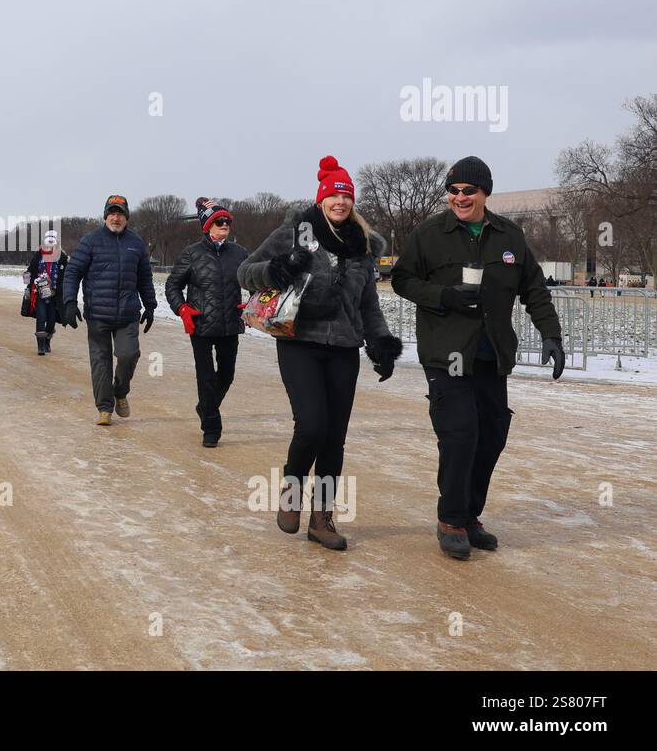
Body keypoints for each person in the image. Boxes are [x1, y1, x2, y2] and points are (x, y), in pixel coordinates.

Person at [391, 156, 564, 560]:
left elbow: (534, 289)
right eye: (453, 191)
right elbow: (401, 279)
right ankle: (450, 519)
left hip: (492, 355)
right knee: (460, 434)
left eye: (468, 190)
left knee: (490, 436)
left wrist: (551, 335)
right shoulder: (429, 234)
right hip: (447, 353)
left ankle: (469, 516)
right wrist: (443, 296)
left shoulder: (509, 236)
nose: (459, 198)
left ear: (485, 191)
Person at [238, 156, 402, 551]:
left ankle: (323, 518)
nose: (340, 203)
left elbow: (368, 304)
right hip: (299, 341)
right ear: (322, 199)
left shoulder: (362, 246)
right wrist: (278, 268)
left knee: (335, 437)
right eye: (333, 196)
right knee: (312, 424)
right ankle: (291, 493)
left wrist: (381, 342)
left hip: (344, 346)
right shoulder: (296, 231)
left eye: (346, 197)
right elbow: (245, 272)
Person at [61, 194, 157, 426]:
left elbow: (145, 277)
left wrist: (151, 305)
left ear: (127, 217)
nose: (116, 217)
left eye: (120, 213)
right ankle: (105, 408)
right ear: (105, 216)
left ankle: (120, 391)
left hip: (127, 314)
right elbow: (73, 272)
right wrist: (69, 302)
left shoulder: (136, 243)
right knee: (100, 362)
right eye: (112, 213)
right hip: (98, 314)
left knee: (128, 354)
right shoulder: (90, 241)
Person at [165, 199, 249, 448]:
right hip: (200, 325)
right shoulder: (192, 253)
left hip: (230, 324)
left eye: (227, 222)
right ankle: (211, 428)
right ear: (207, 226)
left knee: (226, 375)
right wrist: (182, 309)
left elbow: (253, 281)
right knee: (205, 376)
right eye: (219, 222)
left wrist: (253, 305)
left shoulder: (240, 253)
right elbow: (172, 285)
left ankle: (205, 407)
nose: (224, 225)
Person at [22, 230, 67, 355]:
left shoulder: (62, 257)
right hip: (39, 294)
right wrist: (27, 283)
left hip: (55, 295)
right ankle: (40, 346)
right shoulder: (38, 255)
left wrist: (61, 289)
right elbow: (29, 271)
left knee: (51, 320)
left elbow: (66, 276)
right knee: (41, 318)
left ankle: (47, 341)